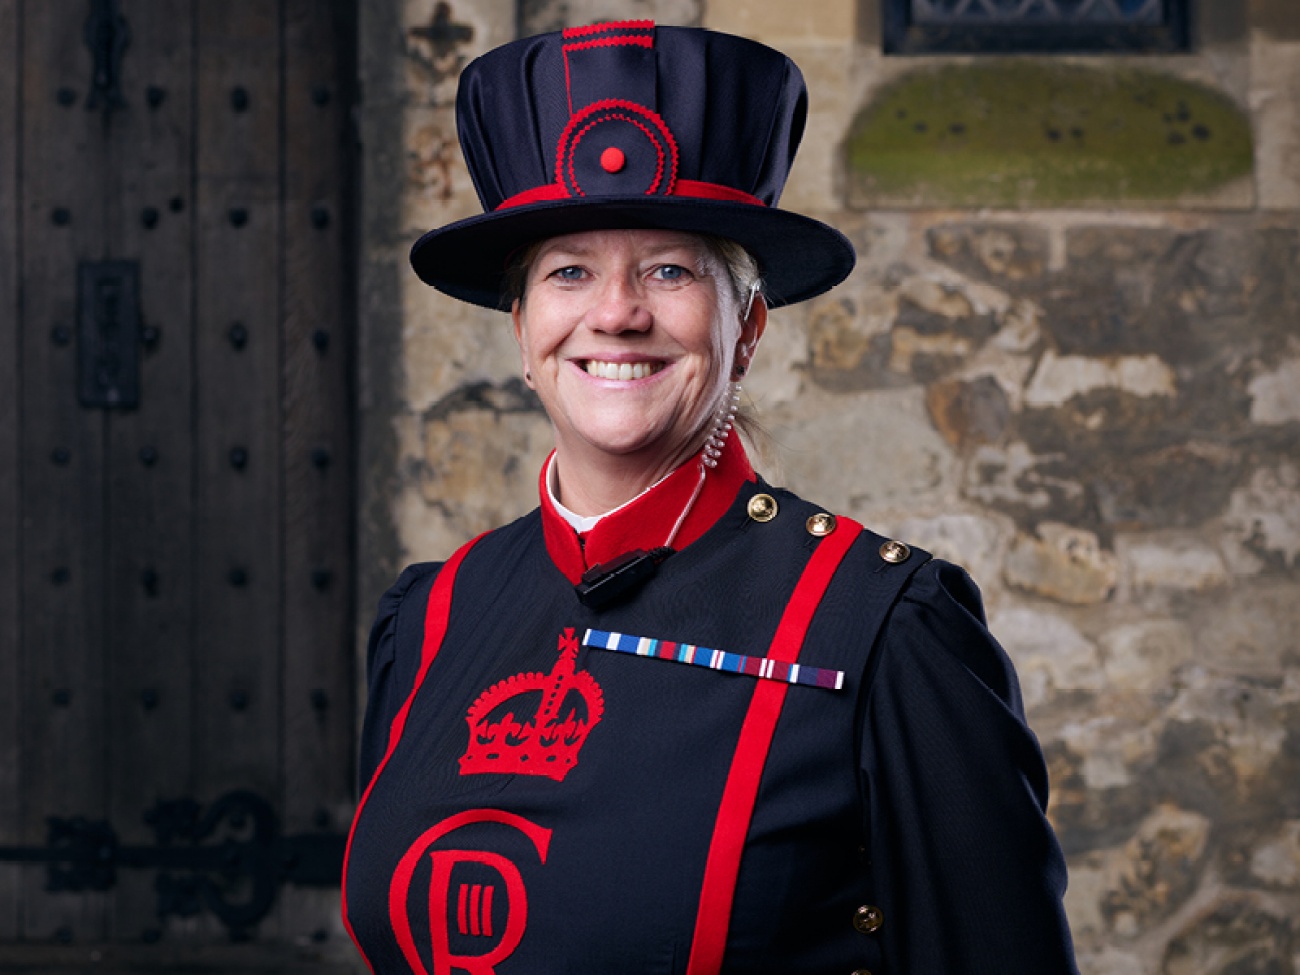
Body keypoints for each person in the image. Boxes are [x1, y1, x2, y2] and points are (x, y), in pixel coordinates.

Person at [342, 20, 1079, 975]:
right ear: (524, 332)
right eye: (570, 271)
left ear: (746, 329)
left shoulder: (885, 629)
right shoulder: (432, 617)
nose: (617, 311)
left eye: (669, 269)